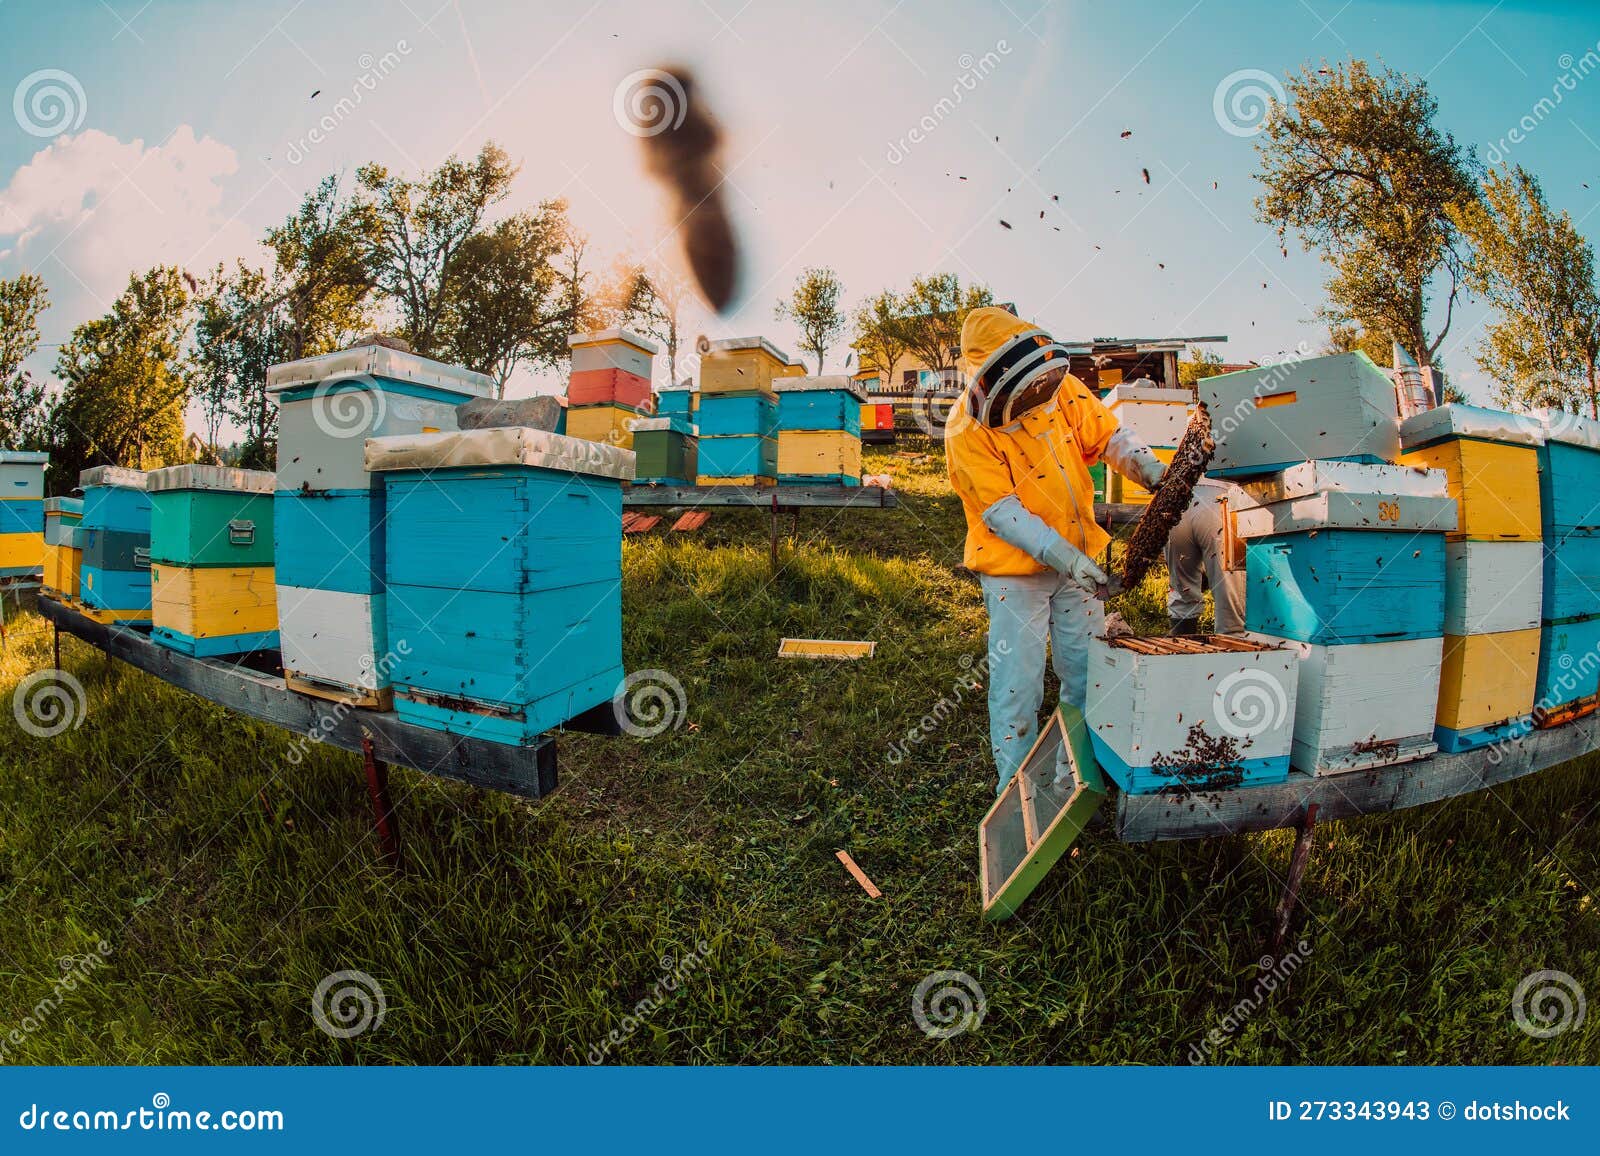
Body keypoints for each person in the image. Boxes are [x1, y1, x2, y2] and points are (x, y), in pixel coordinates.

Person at [945, 307, 1167, 792]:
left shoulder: (1060, 385)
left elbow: (1108, 434)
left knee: (1087, 672)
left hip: (1079, 560)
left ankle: (1076, 784)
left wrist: (1148, 468)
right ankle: (1016, 790)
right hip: (1013, 575)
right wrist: (1064, 556)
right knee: (1016, 684)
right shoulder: (965, 427)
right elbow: (1001, 511)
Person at [1165, 478, 1248, 635]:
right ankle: (1232, 652)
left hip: (1176, 498)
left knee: (1183, 593)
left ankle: (1182, 653)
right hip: (1221, 497)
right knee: (1229, 600)